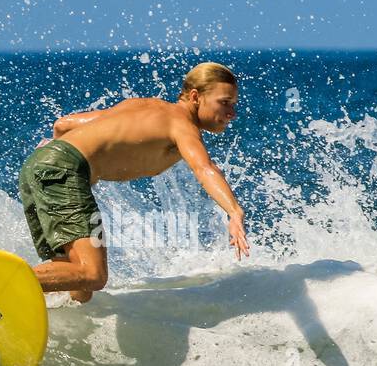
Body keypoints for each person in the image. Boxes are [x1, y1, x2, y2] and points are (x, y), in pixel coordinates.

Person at [18, 62, 249, 302]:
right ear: (195, 97)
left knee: (80, 287)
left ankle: (14, 306)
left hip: (39, 165)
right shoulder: (181, 125)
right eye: (224, 102)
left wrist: (56, 169)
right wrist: (234, 212)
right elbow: (204, 168)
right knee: (92, 273)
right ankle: (0, 282)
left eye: (233, 104)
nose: (232, 113)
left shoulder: (142, 107)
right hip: (62, 169)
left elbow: (62, 125)